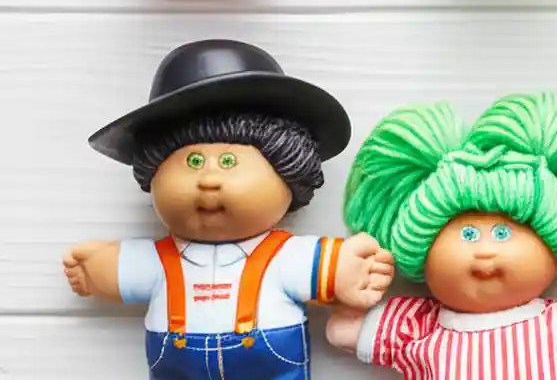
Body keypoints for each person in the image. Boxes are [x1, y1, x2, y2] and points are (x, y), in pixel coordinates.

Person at [62, 40, 394, 380]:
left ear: (287, 174)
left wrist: (347, 269)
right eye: (192, 162)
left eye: (229, 161)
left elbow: (326, 268)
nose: (208, 179)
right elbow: (122, 269)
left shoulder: (284, 256)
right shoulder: (158, 261)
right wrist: (97, 271)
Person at [327, 92, 557, 379]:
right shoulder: (417, 326)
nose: (485, 251)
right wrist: (349, 294)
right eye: (467, 234)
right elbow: (344, 331)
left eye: (501, 233)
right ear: (423, 259)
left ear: (555, 259)